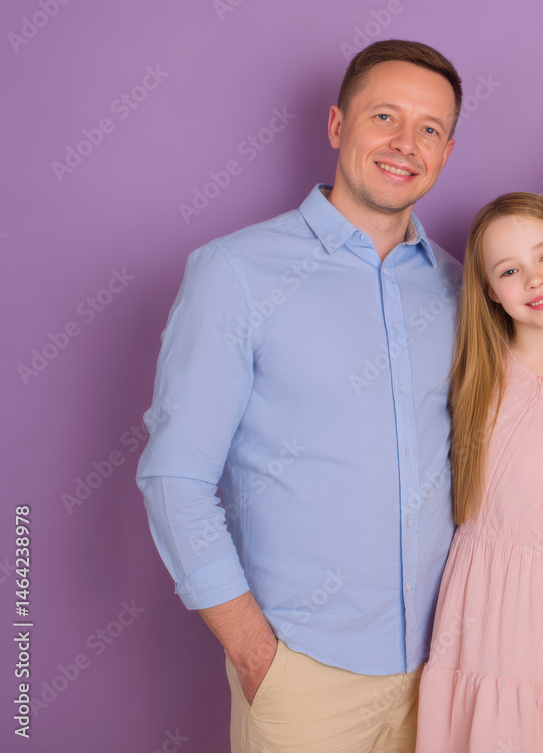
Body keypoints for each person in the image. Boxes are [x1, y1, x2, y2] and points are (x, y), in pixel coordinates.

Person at [136, 40, 464, 753]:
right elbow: (175, 477)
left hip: (445, 674)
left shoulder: (462, 288)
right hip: (305, 676)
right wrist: (258, 656)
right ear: (338, 125)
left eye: (430, 128)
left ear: (446, 150)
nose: (406, 143)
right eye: (385, 116)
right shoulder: (237, 272)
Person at [415, 193, 543, 753]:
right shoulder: (474, 372)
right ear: (490, 291)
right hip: (478, 596)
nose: (534, 279)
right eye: (509, 270)